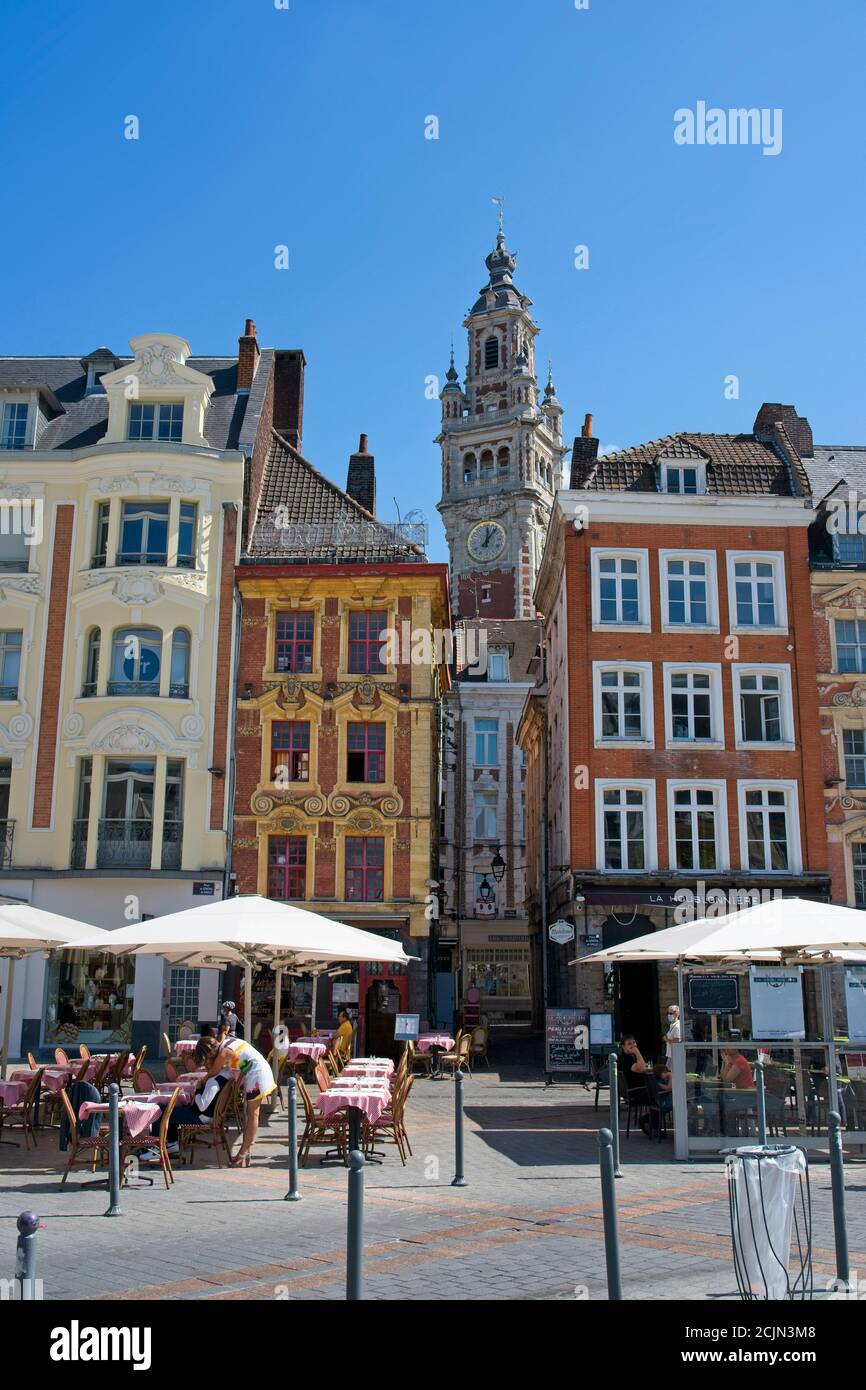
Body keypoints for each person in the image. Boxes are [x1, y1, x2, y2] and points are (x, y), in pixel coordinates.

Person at [193, 1034, 276, 1166]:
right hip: (258, 1070)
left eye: (207, 1057)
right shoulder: (228, 1042)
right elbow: (241, 1063)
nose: (208, 1060)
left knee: (253, 1115)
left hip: (257, 1074)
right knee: (252, 1115)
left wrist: (203, 1081)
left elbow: (214, 1071)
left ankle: (242, 1153)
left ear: (209, 1053)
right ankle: (245, 1151)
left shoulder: (224, 1052)